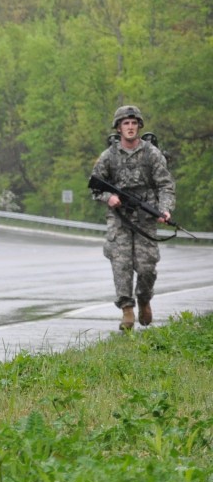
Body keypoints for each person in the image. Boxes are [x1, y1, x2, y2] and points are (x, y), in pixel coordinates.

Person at [90, 105, 176, 332]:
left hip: (145, 218)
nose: (130, 127)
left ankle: (144, 299)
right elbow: (95, 188)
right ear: (118, 128)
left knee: (147, 266)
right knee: (121, 264)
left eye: (134, 123)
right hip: (119, 219)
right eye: (125, 123)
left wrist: (165, 210)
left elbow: (165, 185)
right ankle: (127, 309)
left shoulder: (151, 154)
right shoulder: (108, 156)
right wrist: (109, 197)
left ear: (139, 126)